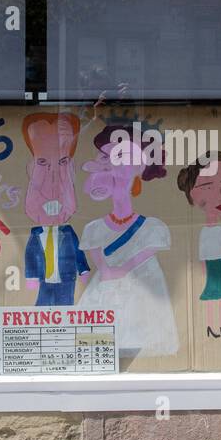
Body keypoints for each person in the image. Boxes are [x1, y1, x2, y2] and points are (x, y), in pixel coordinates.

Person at [78, 124, 178, 356]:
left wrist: (120, 270)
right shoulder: (94, 229)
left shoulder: (152, 228)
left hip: (143, 302)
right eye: (105, 157)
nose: (111, 165)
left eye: (121, 156)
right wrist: (108, 271)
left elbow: (132, 265)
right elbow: (103, 268)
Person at [21, 113, 90, 306]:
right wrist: (32, 276)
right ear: (30, 167)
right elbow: (31, 254)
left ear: (72, 169)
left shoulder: (68, 232)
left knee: (65, 304)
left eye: (62, 162)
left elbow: (78, 251)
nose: (53, 178)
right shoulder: (35, 234)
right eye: (42, 162)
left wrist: (83, 269)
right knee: (43, 305)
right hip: (44, 278)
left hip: (66, 277)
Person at [177, 152, 221, 339]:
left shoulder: (219, 229)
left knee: (220, 296)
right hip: (212, 265)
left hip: (219, 264)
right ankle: (212, 326)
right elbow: (203, 252)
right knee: (212, 297)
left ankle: (220, 326)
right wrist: (204, 268)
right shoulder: (206, 230)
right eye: (209, 186)